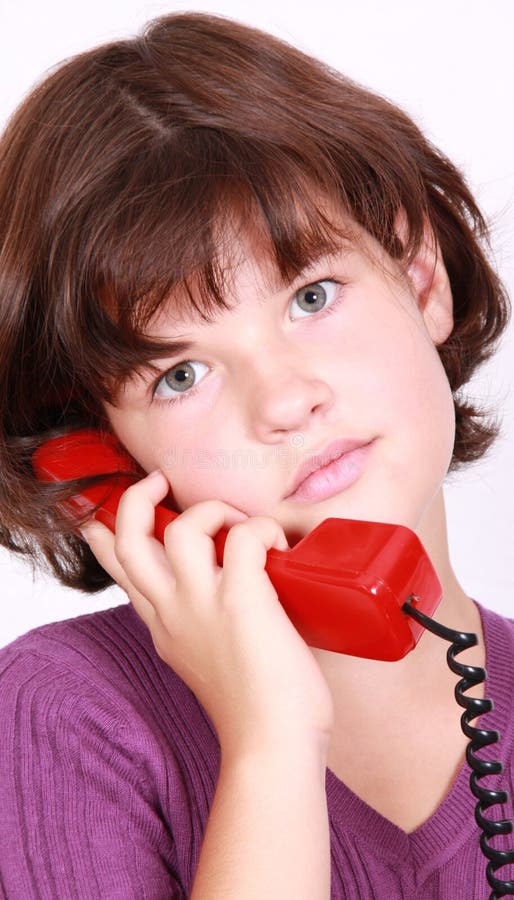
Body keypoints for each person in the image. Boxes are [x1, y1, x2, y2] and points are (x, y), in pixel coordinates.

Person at [0, 11, 512, 899]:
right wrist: (270, 746)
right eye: (182, 373)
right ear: (97, 455)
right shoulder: (64, 717)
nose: (283, 401)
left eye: (313, 295)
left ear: (420, 280)